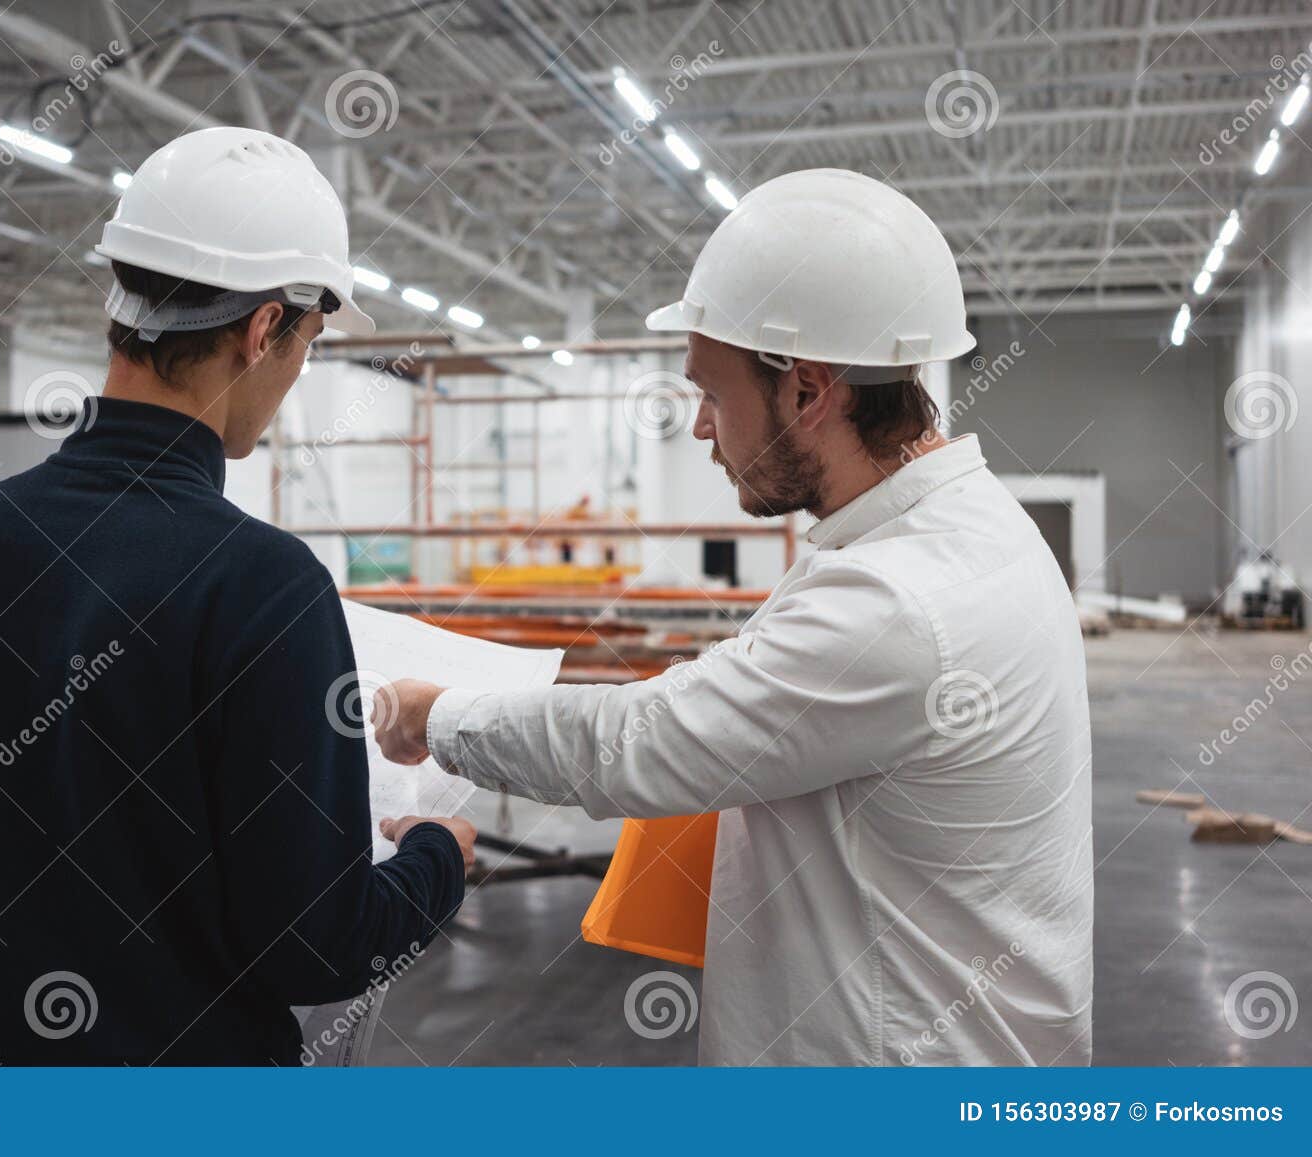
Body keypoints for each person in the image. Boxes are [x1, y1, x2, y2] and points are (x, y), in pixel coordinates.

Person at [375, 169, 1093, 1067]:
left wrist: (432, 715)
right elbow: (734, 698)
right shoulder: (954, 533)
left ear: (807, 391)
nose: (701, 429)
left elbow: (641, 740)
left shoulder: (902, 601)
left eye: (712, 394)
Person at [0, 127, 474, 1066]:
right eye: (307, 342)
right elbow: (317, 943)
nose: (298, 371)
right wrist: (438, 857)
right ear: (266, 328)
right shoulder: (264, 586)